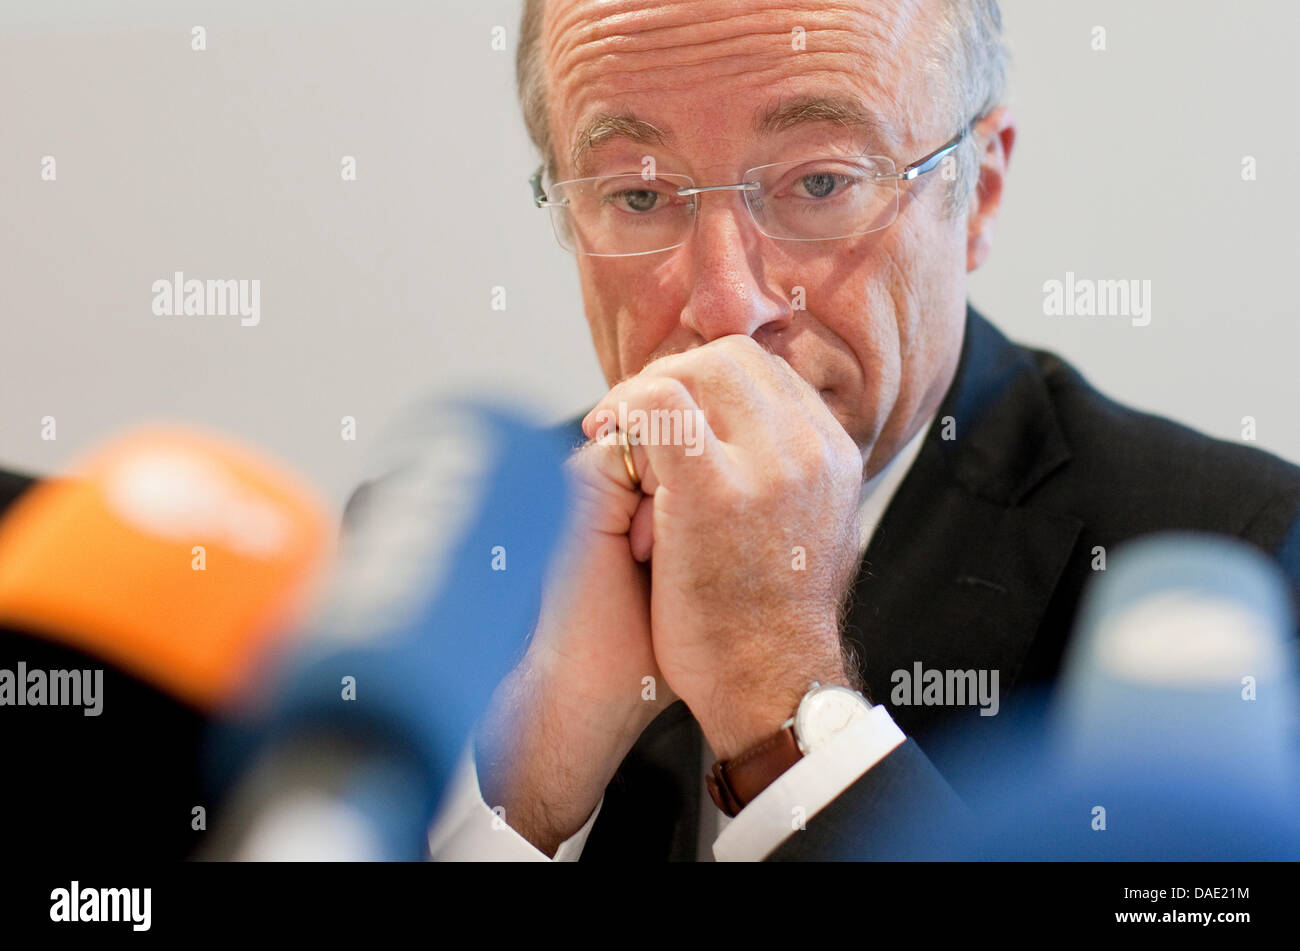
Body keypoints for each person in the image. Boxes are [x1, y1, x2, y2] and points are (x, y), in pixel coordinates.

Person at [418, 0, 1300, 861]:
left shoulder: (1253, 558)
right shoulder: (440, 546)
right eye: (641, 194)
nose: (727, 309)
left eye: (820, 182)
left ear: (980, 189)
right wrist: (523, 792)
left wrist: (785, 708)